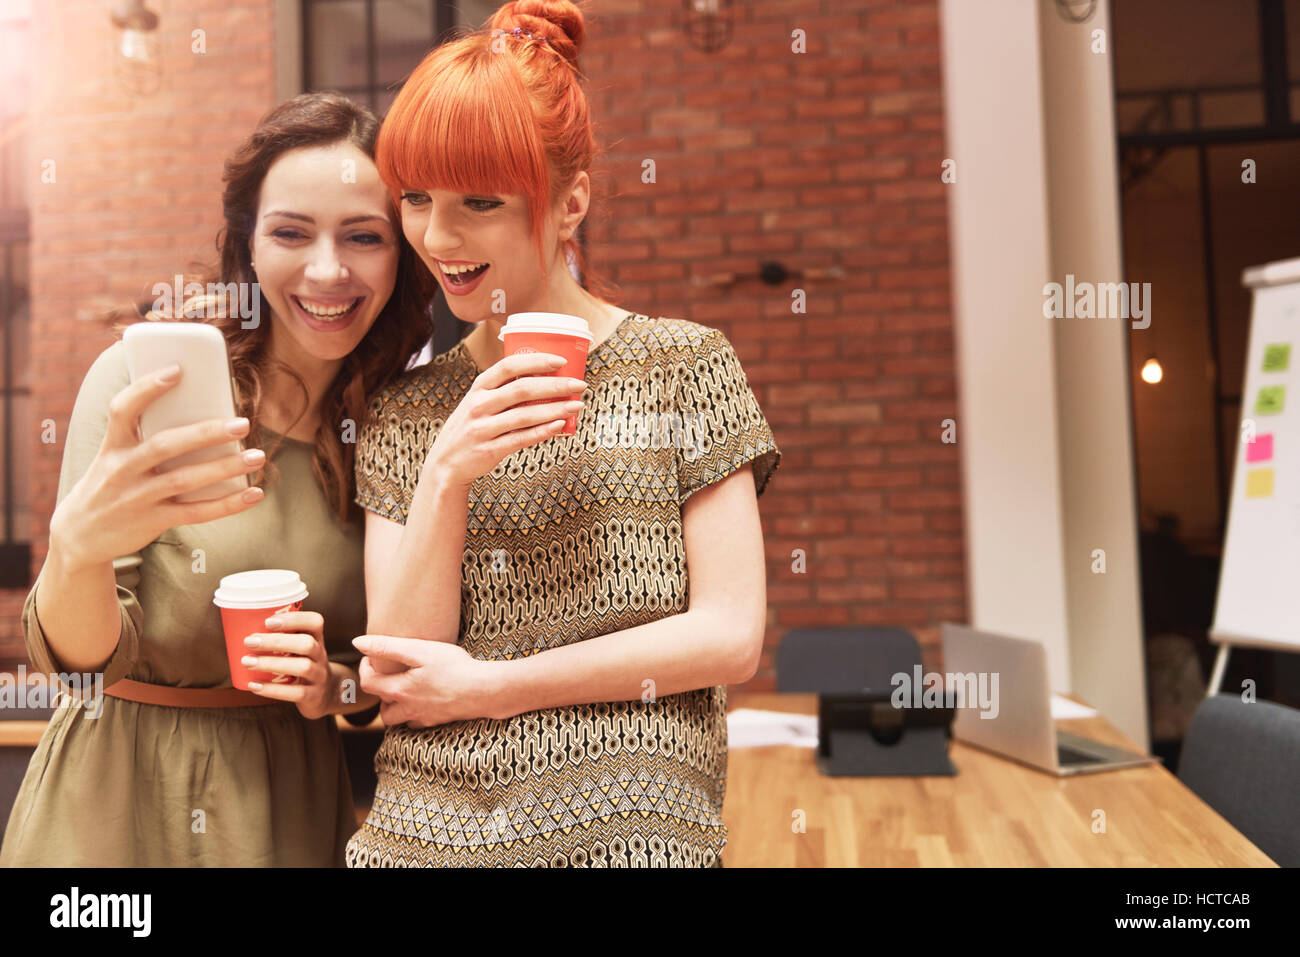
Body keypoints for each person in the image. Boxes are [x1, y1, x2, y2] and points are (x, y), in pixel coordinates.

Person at [346, 0, 781, 867]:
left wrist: (496, 687)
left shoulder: (684, 364)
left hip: (633, 816)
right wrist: (447, 475)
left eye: (480, 201)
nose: (439, 235)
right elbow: (396, 666)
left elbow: (731, 636)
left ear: (571, 200)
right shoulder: (406, 411)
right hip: (428, 824)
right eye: (418, 198)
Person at [0, 92, 434, 867]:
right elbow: (80, 667)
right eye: (291, 232)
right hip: (120, 802)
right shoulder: (148, 386)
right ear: (249, 245)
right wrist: (78, 550)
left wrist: (327, 682)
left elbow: (379, 674)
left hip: (289, 805)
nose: (327, 268)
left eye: (363, 236)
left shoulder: (395, 424)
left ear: (401, 252)